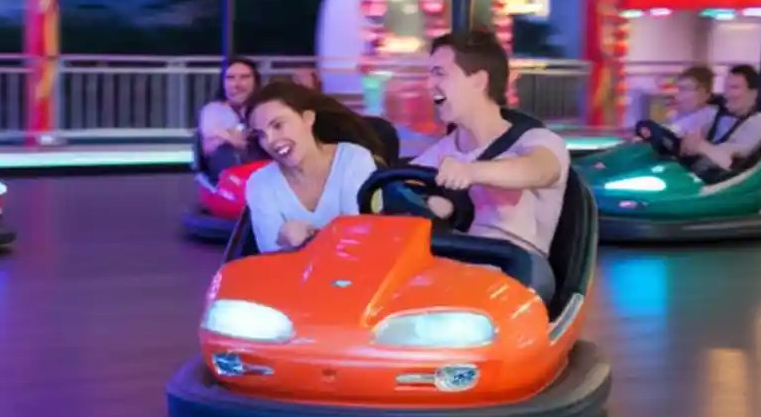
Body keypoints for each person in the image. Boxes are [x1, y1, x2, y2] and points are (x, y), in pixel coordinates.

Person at [411, 30, 569, 299]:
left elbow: (540, 170)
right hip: (449, 277)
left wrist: (471, 172)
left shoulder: (536, 141)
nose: (429, 84)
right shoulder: (436, 155)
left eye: (440, 73)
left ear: (479, 81)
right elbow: (393, 195)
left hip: (515, 281)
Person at [244, 81, 384, 253]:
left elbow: (359, 240)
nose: (271, 140)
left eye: (278, 125)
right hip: (292, 278)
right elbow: (268, 254)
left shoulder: (353, 159)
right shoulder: (260, 183)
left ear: (308, 118)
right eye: (261, 135)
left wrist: (308, 239)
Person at [680, 64, 761, 176]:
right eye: (726, 88)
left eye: (734, 88)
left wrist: (700, 146)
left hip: (726, 182)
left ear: (753, 93)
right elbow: (691, 128)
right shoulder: (719, 112)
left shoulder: (759, 121)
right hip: (699, 174)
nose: (727, 94)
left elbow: (727, 160)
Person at [198, 57, 263, 181]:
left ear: (255, 81)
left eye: (244, 77)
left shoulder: (265, 108)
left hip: (261, 166)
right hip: (227, 170)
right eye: (230, 78)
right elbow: (209, 144)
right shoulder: (213, 110)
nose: (237, 84)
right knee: (226, 152)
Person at [664, 64, 716, 136]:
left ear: (705, 93)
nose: (679, 96)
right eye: (679, 89)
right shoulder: (675, 117)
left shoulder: (714, 119)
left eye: (686, 89)